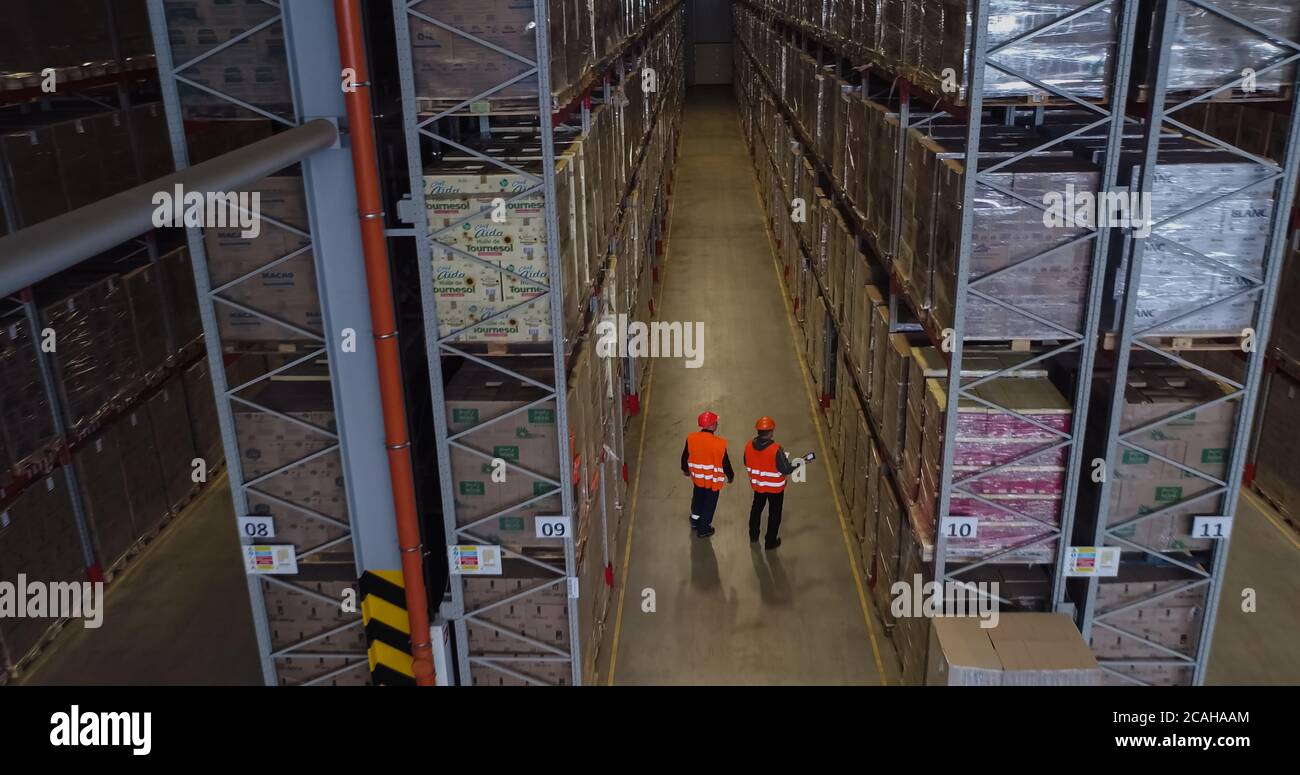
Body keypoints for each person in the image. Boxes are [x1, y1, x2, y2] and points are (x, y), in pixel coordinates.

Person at [743, 416, 795, 550]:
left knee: (756, 509)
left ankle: (753, 535)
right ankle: (770, 541)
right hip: (775, 490)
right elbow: (786, 469)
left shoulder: (749, 445)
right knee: (774, 514)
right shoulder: (776, 449)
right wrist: (799, 463)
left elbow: (746, 461)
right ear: (771, 432)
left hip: (759, 486)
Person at [681, 410, 734, 538]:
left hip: (698, 479)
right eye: (716, 422)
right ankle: (704, 529)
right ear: (711, 425)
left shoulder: (691, 439)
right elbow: (725, 462)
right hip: (712, 482)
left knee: (698, 500)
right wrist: (730, 475)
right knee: (709, 505)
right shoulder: (719, 443)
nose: (717, 424)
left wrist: (686, 469)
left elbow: (685, 457)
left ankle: (694, 521)